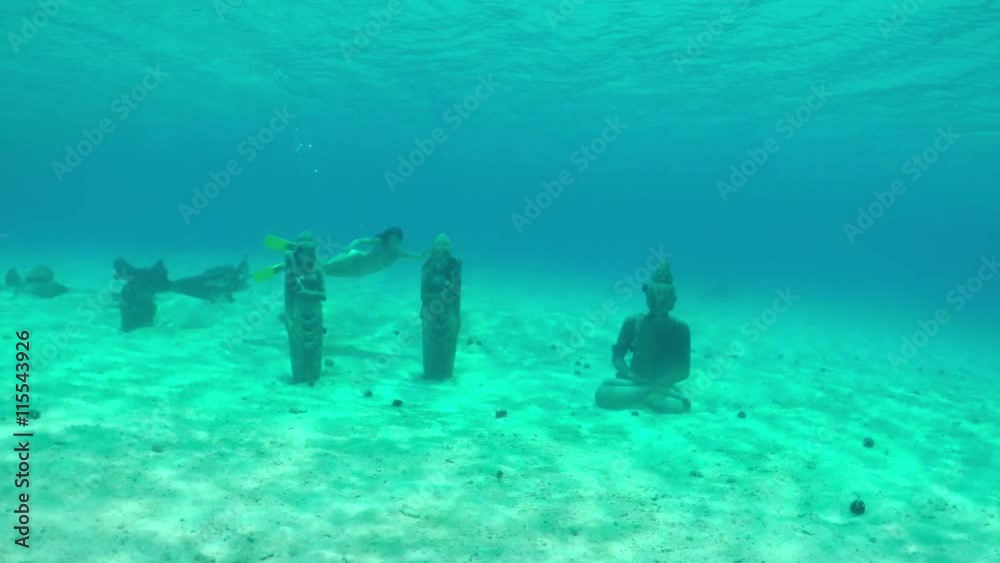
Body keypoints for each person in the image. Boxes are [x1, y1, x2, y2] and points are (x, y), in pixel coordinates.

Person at [594, 262, 691, 414]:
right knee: (602, 392)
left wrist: (660, 382)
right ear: (647, 296)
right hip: (632, 382)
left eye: (664, 299)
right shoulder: (632, 322)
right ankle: (647, 396)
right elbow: (617, 358)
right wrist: (631, 376)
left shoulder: (680, 328)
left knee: (679, 405)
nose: (658, 303)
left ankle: (641, 397)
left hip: (661, 386)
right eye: (653, 297)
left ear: (673, 301)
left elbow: (683, 371)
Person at [321, 227, 427, 277]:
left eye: (397, 241)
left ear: (400, 241)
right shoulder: (380, 242)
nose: (394, 243)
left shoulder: (398, 254)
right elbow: (359, 240)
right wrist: (350, 247)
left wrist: (434, 249)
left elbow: (419, 256)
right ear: (387, 239)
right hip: (354, 258)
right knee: (325, 267)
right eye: (392, 240)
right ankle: (307, 265)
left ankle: (306, 273)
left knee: (327, 273)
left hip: (359, 272)